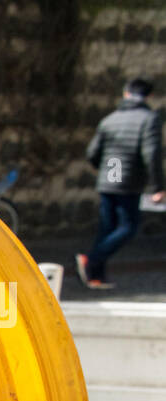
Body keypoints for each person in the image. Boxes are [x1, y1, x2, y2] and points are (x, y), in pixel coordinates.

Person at [76, 78, 164, 290]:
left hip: (109, 178)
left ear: (126, 94)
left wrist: (108, 169)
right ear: (148, 96)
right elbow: (151, 154)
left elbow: (92, 154)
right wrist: (157, 187)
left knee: (107, 228)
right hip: (128, 181)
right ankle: (91, 260)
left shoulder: (110, 119)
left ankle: (96, 275)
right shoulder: (149, 119)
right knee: (128, 227)